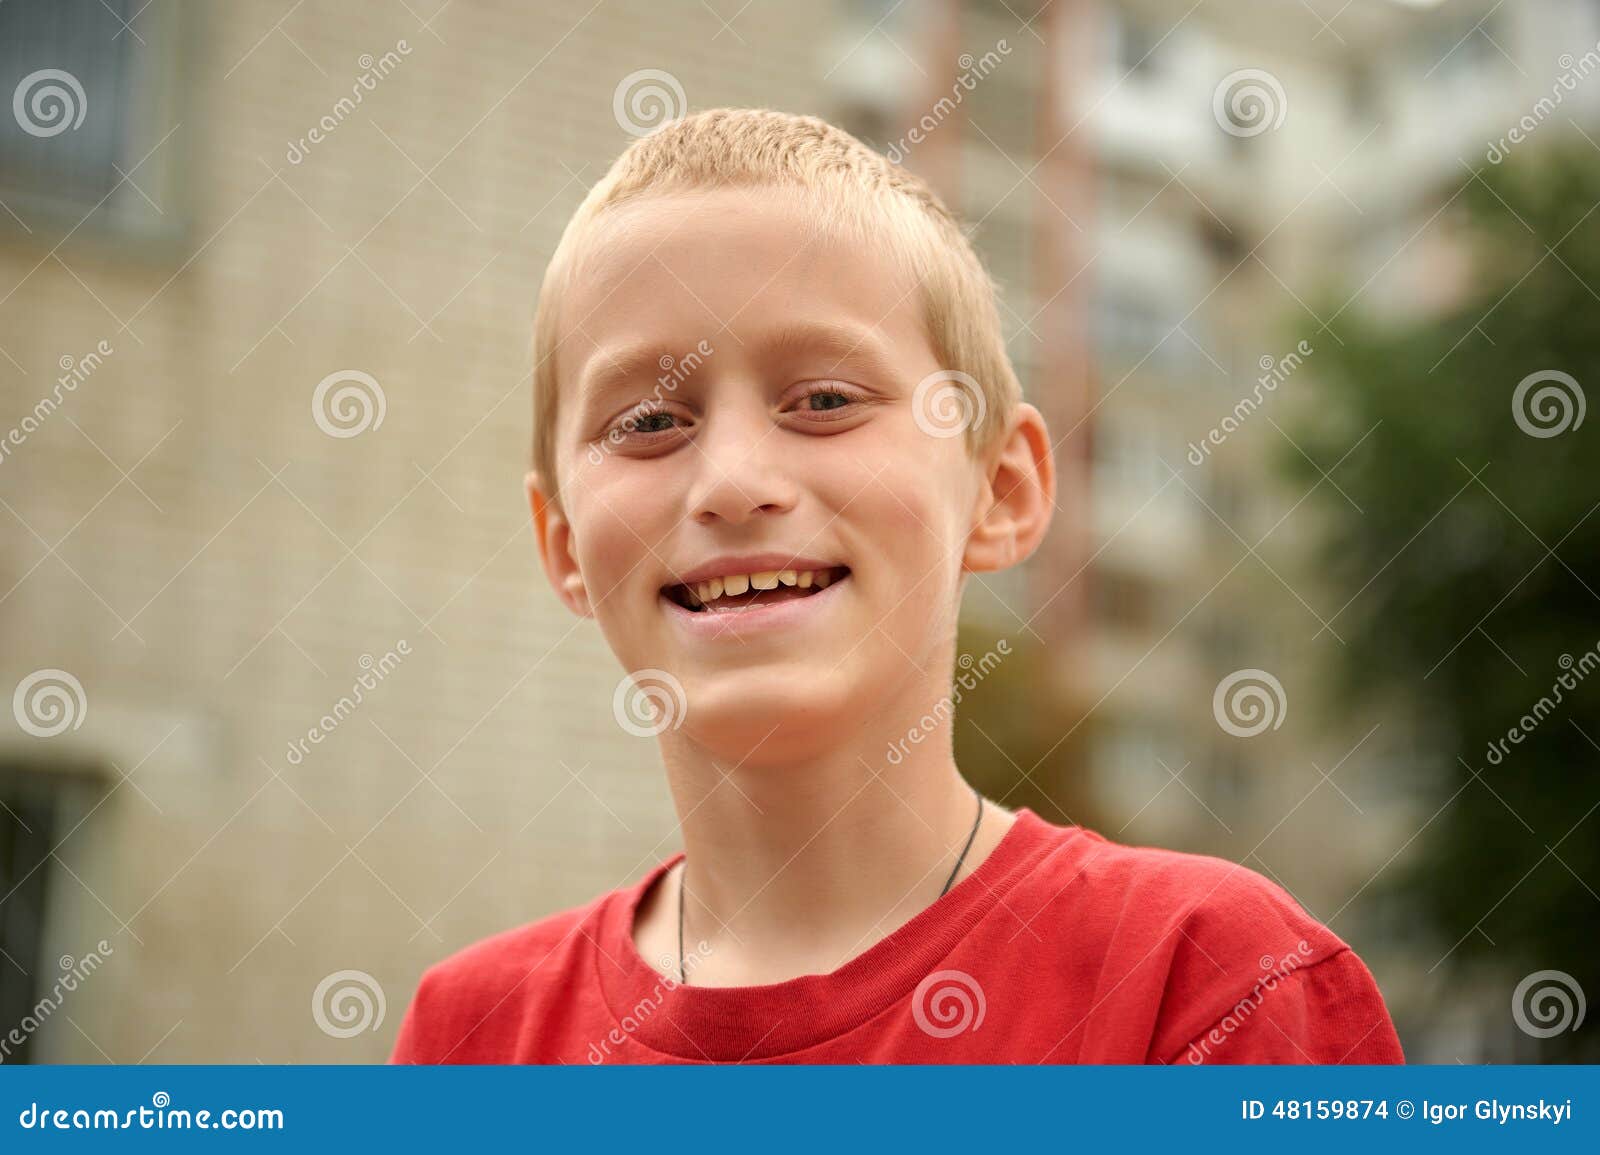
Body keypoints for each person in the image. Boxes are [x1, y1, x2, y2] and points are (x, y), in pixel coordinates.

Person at [389, 108, 1404, 1065]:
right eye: (650, 422)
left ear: (1000, 490)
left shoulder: (1211, 983)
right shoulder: (470, 1037)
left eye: (825, 399)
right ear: (563, 543)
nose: (733, 481)